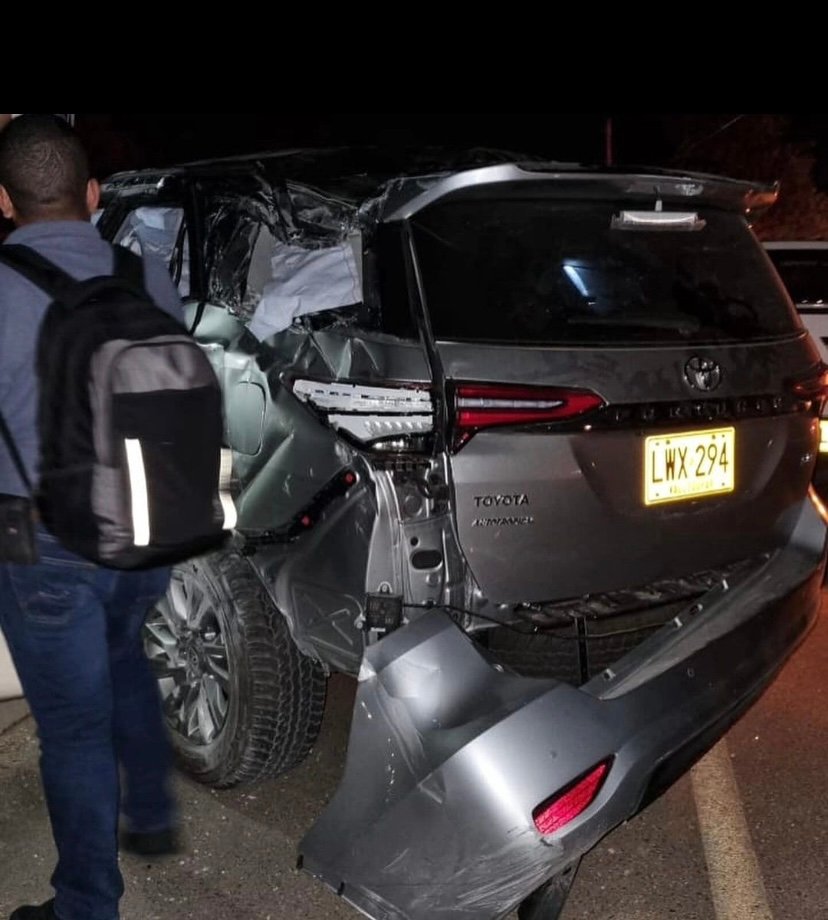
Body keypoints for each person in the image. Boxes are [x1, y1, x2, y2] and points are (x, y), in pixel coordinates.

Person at [0, 114, 182, 920]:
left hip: (46, 546)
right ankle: (152, 810)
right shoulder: (147, 274)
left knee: (74, 731)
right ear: (95, 193)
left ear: (4, 201)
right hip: (148, 527)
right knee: (121, 655)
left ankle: (86, 906)